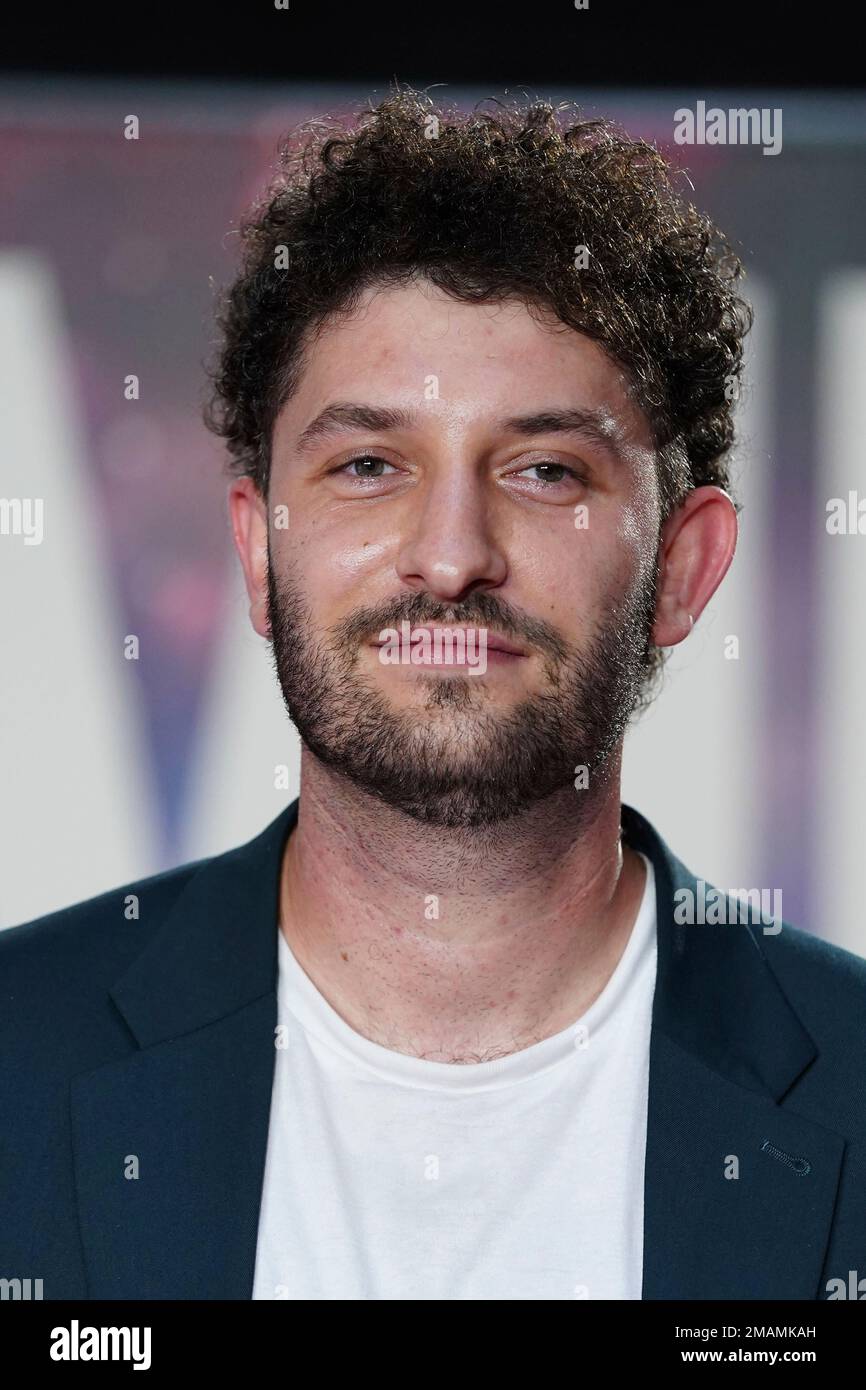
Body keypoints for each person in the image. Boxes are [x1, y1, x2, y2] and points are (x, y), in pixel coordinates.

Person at [2, 89, 864, 1301]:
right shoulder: (15, 1060)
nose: (450, 553)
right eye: (367, 465)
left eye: (542, 468)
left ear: (681, 566)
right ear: (255, 553)